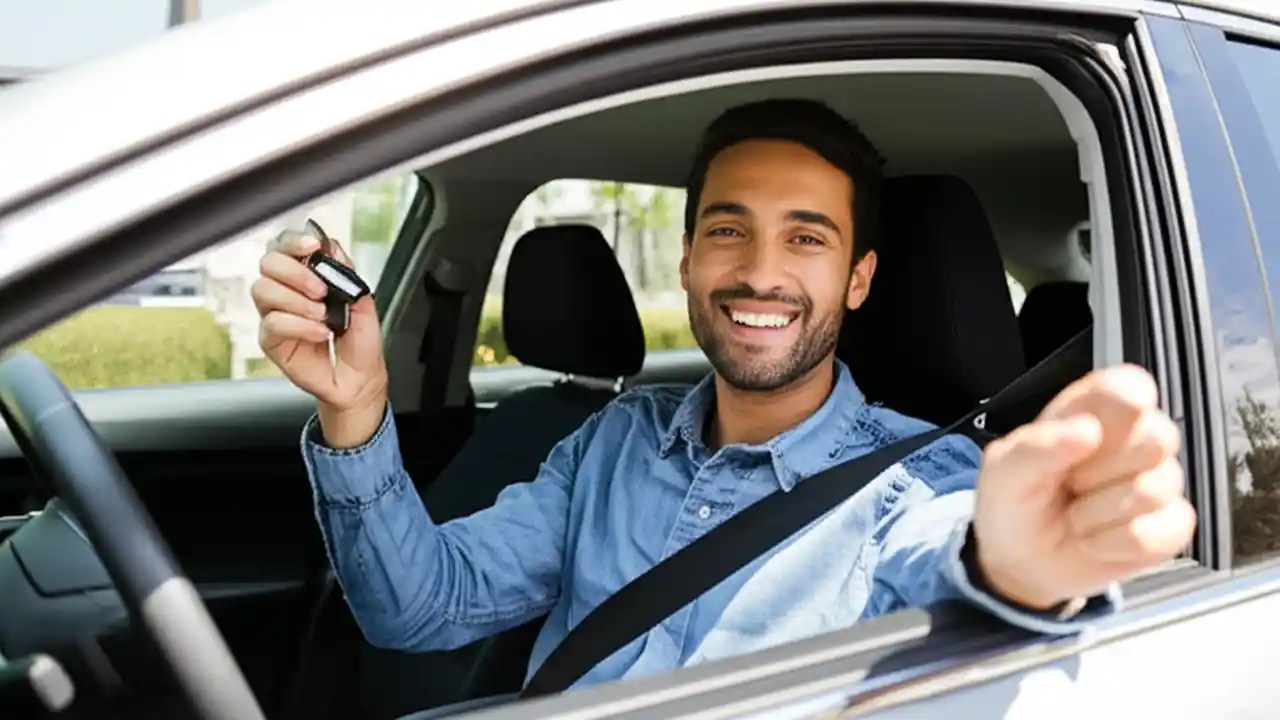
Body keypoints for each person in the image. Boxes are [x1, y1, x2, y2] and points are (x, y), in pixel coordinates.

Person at [253, 99, 1195, 691]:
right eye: (729, 231)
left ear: (859, 280)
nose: (759, 274)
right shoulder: (608, 444)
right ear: (692, 255)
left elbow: (967, 555)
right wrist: (357, 409)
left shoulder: (917, 483)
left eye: (807, 239)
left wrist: (1021, 568)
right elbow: (417, 610)